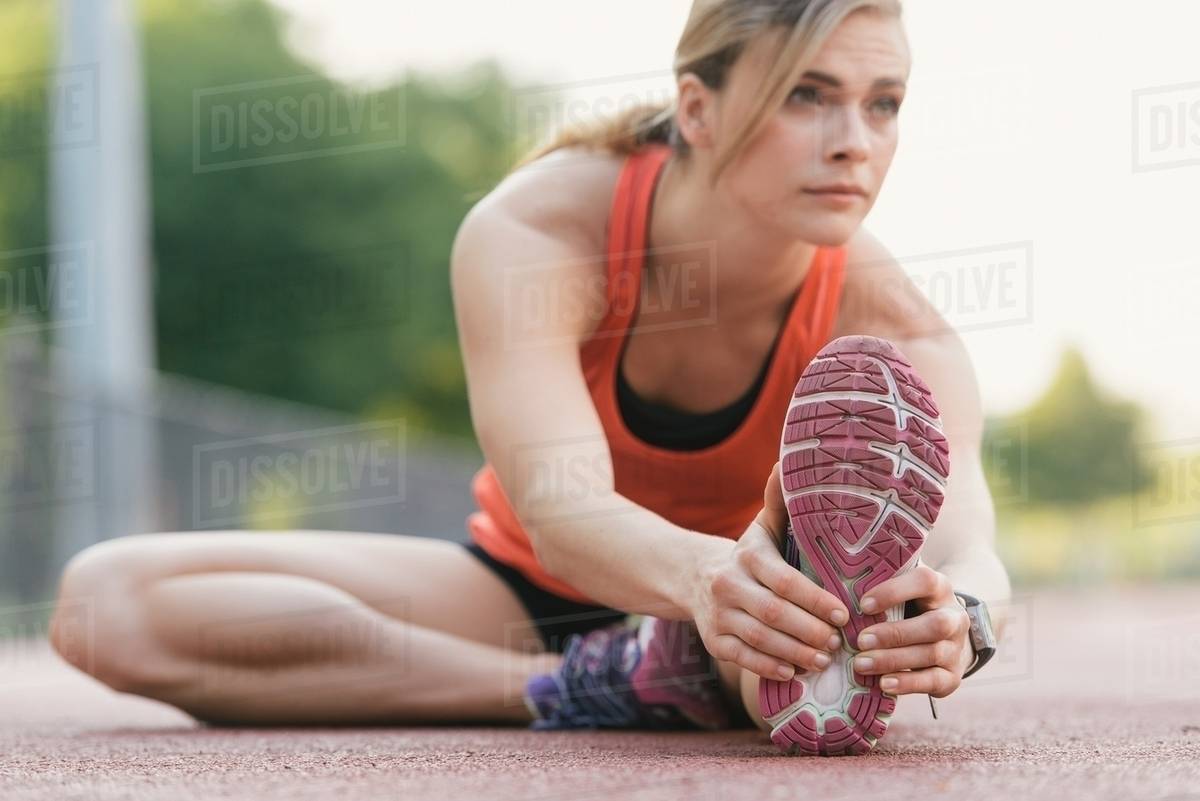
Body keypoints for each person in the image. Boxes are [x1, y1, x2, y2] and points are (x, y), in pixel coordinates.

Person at [48, 0, 1010, 755]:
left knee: (791, 673)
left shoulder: (896, 328)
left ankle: (687, 676)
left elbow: (973, 542)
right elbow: (562, 508)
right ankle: (597, 685)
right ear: (698, 107)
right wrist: (691, 583)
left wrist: (960, 620)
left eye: (884, 102)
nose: (857, 139)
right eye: (809, 93)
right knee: (105, 603)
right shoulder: (538, 236)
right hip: (533, 594)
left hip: (752, 632)